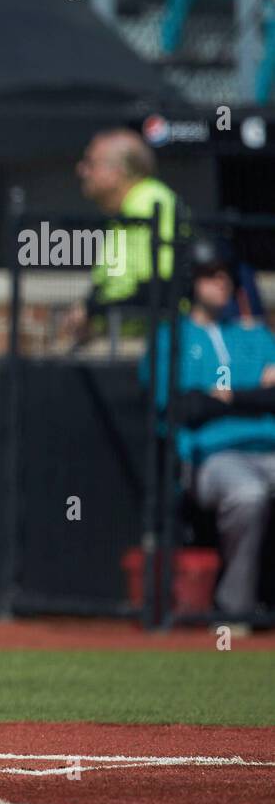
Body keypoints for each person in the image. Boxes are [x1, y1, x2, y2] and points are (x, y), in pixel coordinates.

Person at [151, 256, 275, 619]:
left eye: (226, 275)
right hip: (212, 459)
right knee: (248, 495)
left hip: (269, 449)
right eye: (209, 275)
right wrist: (252, 394)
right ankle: (236, 609)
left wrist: (226, 396)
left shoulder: (254, 336)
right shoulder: (172, 336)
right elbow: (184, 405)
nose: (220, 281)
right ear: (192, 282)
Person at [64, 129, 179, 346]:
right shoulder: (126, 208)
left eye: (91, 163)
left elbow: (158, 286)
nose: (81, 170)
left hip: (150, 342)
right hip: (119, 334)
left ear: (117, 171)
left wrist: (93, 310)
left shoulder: (149, 204)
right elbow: (114, 283)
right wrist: (89, 309)